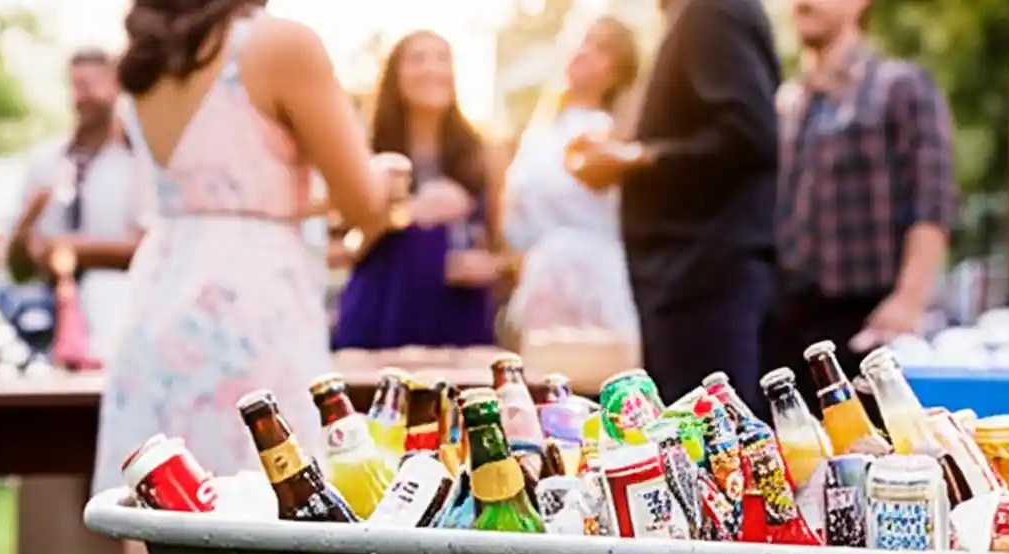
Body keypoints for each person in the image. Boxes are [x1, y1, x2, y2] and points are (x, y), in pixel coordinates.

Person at [98, 2, 393, 554]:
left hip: (157, 299)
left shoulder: (142, 61)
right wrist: (386, 179)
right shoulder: (281, 45)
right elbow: (365, 202)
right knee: (274, 544)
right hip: (248, 306)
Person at [567, 0, 781, 406]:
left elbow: (749, 135)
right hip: (691, 280)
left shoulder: (711, 10)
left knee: (714, 448)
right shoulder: (691, 18)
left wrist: (635, 158)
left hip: (704, 279)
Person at [765, 0, 956, 383]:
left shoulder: (899, 87)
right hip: (789, 326)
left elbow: (933, 202)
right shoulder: (787, 101)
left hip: (867, 325)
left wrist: (908, 300)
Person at [332, 30, 499, 350]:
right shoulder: (364, 150)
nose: (432, 69)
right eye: (418, 59)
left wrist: (486, 265)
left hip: (458, 318)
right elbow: (335, 250)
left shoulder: (480, 154)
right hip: (383, 312)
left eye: (442, 59)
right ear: (395, 75)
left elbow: (499, 249)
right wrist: (408, 214)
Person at [501, 17, 641, 344]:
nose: (585, 52)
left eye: (602, 48)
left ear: (619, 70)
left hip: (599, 285)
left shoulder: (617, 131)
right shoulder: (538, 134)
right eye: (583, 41)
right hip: (540, 286)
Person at [8, 49, 150, 364]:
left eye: (89, 85)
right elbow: (18, 266)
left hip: (121, 317)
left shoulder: (140, 163)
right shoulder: (45, 162)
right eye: (74, 86)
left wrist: (67, 249)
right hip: (49, 321)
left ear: (116, 87)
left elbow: (150, 246)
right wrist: (26, 227)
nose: (80, 96)